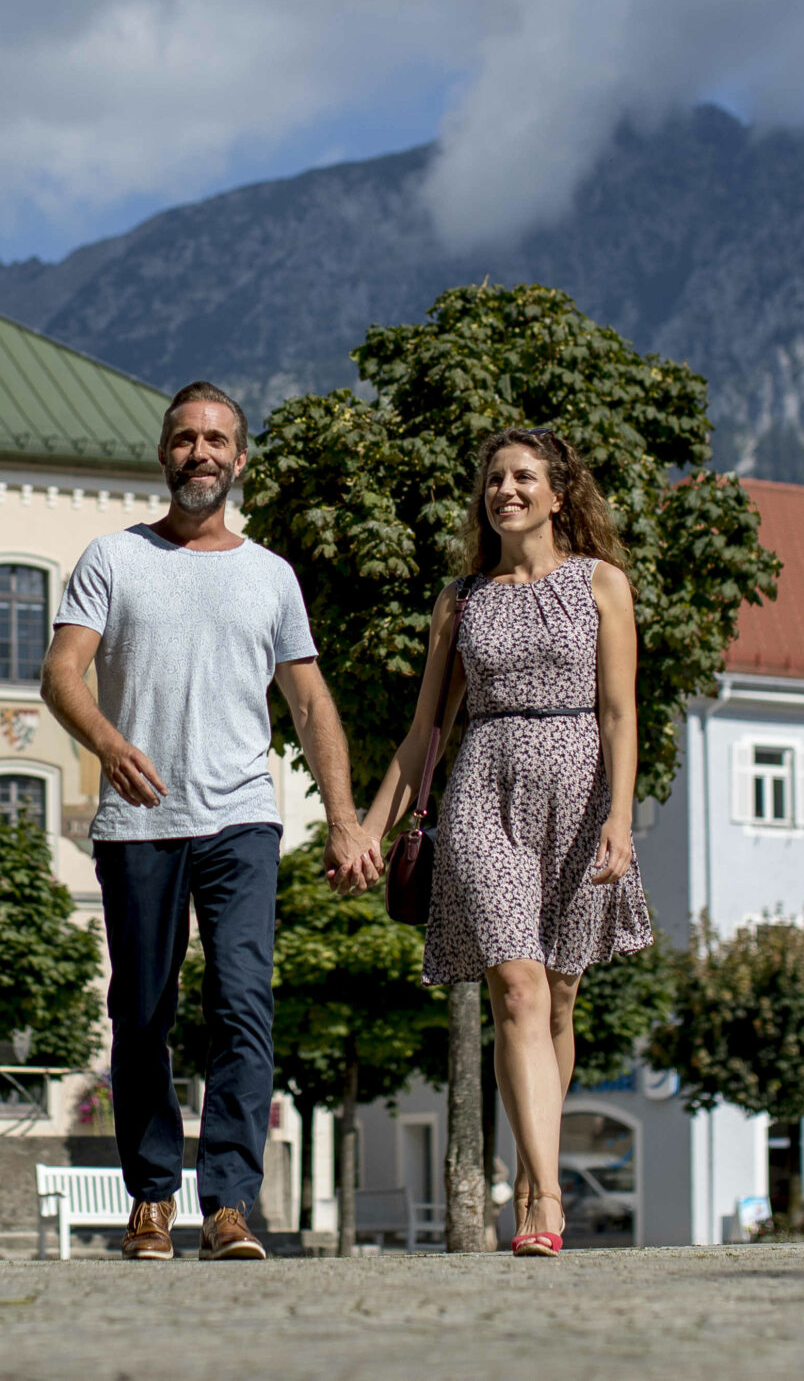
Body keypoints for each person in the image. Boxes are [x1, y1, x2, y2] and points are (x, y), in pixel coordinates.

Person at [42, 381, 373, 1261]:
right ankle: (152, 1199)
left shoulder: (270, 576)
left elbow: (309, 703)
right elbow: (62, 673)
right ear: (165, 455)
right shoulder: (112, 558)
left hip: (240, 820)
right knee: (142, 1012)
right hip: (139, 822)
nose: (201, 453)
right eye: (185, 439)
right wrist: (109, 745)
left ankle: (228, 1202)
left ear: (239, 456)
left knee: (242, 1002)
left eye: (217, 439)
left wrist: (343, 819)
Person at [361, 427, 654, 1257]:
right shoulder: (461, 599)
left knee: (556, 998)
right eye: (494, 478)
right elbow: (427, 729)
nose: (506, 491)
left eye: (524, 477)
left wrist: (621, 817)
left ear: (560, 495)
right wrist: (370, 832)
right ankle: (546, 1201)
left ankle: (532, 1171)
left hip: (578, 791)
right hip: (484, 789)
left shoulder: (603, 585)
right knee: (517, 991)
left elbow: (620, 713)